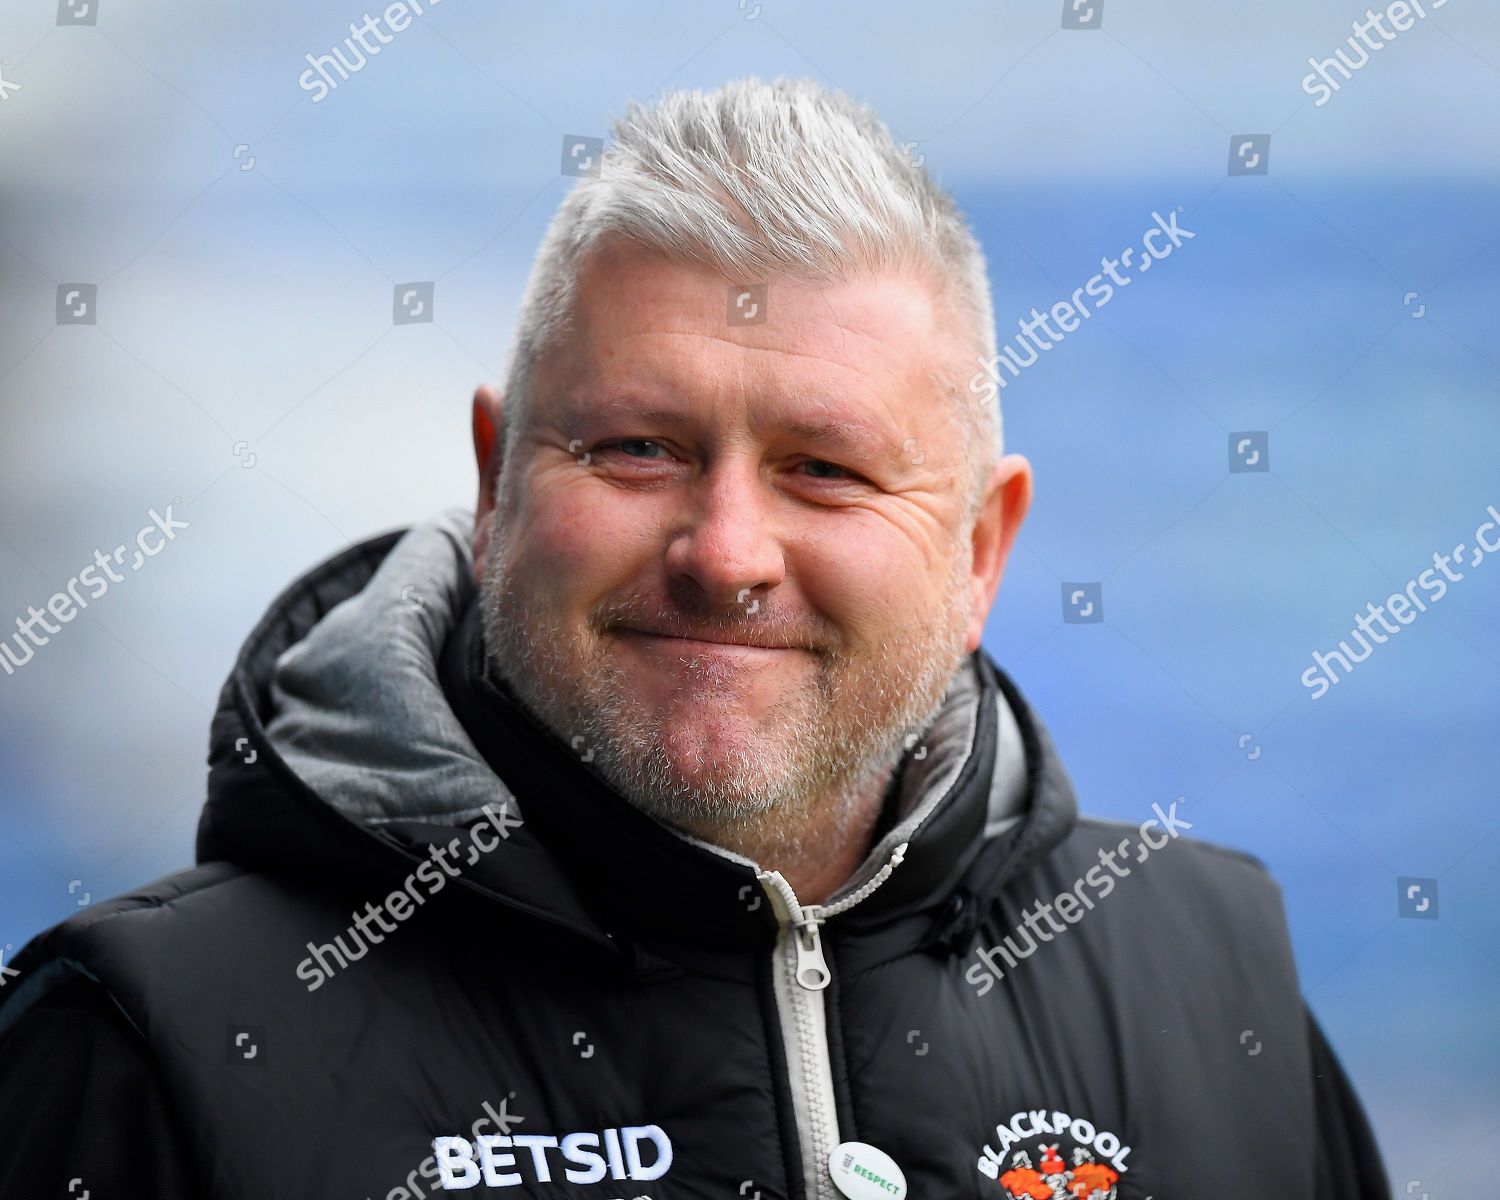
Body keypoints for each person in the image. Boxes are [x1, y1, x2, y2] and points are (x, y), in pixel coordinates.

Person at [0, 75, 1389, 1199]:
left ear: (980, 549)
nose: (725, 554)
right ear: (494, 488)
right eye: (639, 448)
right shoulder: (152, 1039)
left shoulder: (1219, 987)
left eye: (825, 469)